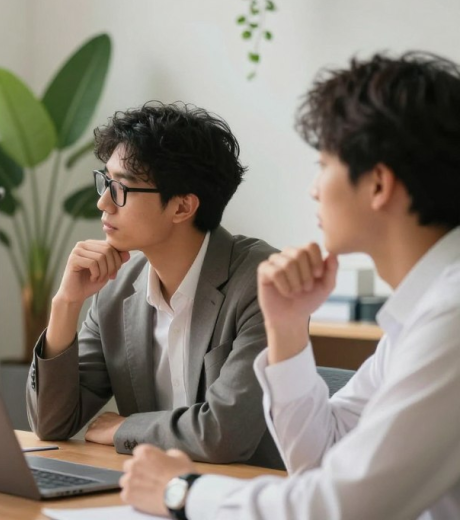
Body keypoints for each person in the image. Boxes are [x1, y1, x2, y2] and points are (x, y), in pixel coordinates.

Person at [120, 52, 460, 519]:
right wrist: (288, 329)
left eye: (324, 165)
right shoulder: (426, 313)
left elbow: (342, 507)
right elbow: (321, 459)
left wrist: (181, 491)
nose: (314, 189)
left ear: (378, 184)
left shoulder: (453, 317)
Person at [27, 102, 282, 468]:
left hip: (244, 500)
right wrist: (65, 304)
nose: (103, 203)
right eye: (105, 181)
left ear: (182, 208)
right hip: (150, 495)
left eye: (120, 188)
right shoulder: (118, 289)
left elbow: (224, 435)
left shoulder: (263, 282)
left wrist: (124, 428)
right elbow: (52, 423)